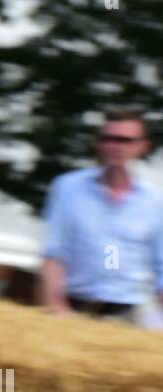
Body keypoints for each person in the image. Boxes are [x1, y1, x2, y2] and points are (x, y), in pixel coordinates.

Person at [42, 109, 163, 321]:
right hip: (73, 309)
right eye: (107, 139)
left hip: (129, 314)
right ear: (97, 143)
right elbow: (54, 254)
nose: (114, 146)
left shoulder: (154, 202)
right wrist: (56, 305)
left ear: (142, 147)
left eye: (124, 140)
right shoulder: (68, 188)